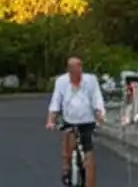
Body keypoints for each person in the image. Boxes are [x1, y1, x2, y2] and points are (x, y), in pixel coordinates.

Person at [46, 56, 105, 187]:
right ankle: (66, 168)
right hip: (69, 119)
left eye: (78, 69)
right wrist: (51, 120)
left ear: (81, 68)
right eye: (72, 70)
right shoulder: (61, 82)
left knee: (88, 153)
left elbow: (97, 99)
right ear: (68, 70)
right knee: (68, 140)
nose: (76, 73)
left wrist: (100, 114)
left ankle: (90, 183)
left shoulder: (90, 81)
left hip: (87, 120)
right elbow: (56, 102)